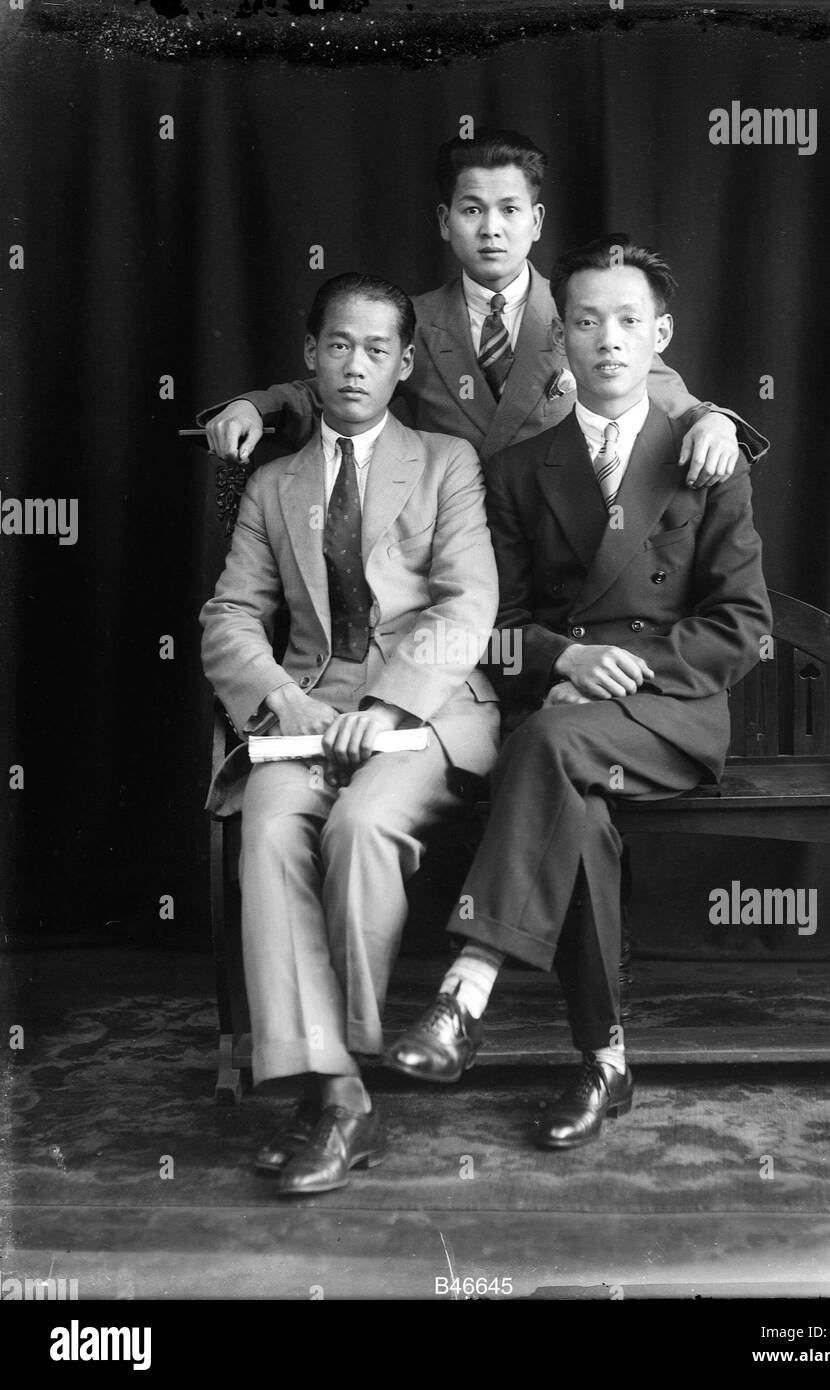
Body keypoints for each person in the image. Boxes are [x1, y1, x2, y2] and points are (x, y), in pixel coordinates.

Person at [383, 236, 772, 1150]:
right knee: (573, 801)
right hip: (563, 717)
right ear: (559, 339)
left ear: (659, 336)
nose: (606, 340)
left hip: (667, 714)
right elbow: (495, 625)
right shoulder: (520, 470)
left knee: (550, 746)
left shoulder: (706, 457)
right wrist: (562, 660)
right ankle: (605, 1060)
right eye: (586, 321)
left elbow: (742, 625)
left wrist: (619, 671)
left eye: (628, 321)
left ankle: (464, 991)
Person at [200, 272, 500, 1194]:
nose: (355, 365)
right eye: (338, 345)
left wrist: (394, 704)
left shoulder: (446, 461)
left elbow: (469, 599)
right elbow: (228, 615)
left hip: (427, 710)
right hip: (307, 709)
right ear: (309, 355)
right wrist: (282, 700)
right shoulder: (274, 484)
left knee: (362, 826)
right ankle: (339, 1093)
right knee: (270, 823)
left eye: (376, 350)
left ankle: (337, 1084)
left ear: (404, 363)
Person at [199, 129, 767, 486]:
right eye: (472, 210)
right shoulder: (412, 320)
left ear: (536, 222)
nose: (491, 229)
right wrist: (253, 406)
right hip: (445, 552)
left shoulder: (582, 317)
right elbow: (331, 385)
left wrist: (713, 420)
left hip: (559, 548)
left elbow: (669, 394)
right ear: (446, 222)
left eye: (510, 210)